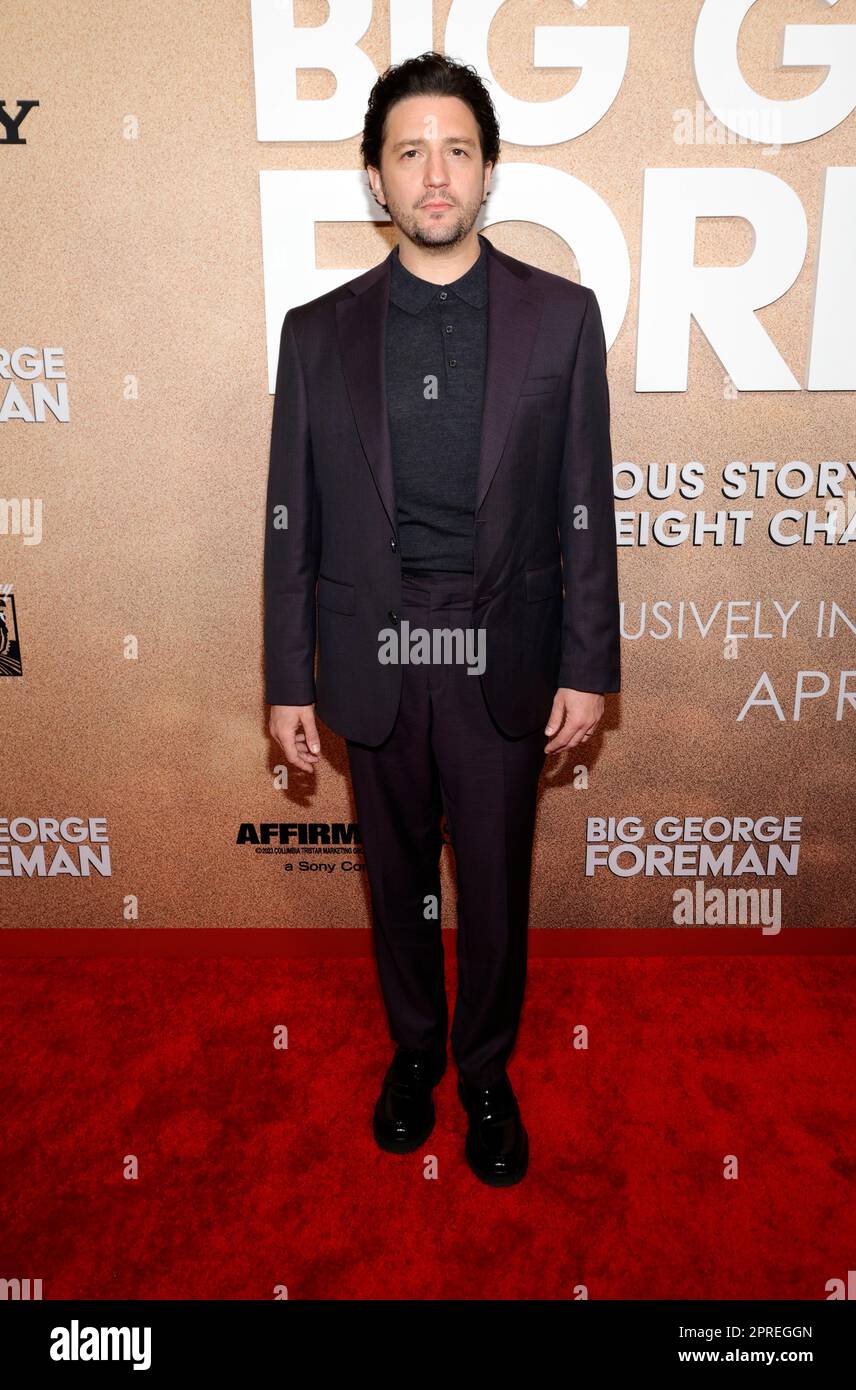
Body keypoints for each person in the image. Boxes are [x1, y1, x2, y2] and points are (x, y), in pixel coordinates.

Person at [264, 52, 620, 1186]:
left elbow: (583, 505)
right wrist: (286, 679)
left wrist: (588, 661)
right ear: (376, 179)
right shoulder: (314, 333)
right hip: (372, 656)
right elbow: (292, 522)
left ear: (487, 171)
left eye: (455, 150)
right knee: (400, 875)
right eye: (409, 151)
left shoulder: (559, 320)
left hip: (500, 656)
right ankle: (415, 1052)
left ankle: (483, 1069)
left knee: (496, 883)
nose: (433, 173)